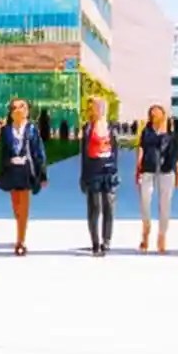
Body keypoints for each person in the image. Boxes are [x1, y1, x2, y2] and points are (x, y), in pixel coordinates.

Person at [0, 98, 46, 256]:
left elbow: (38, 151)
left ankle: (21, 241)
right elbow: (3, 152)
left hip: (26, 170)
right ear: (11, 113)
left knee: (24, 206)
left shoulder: (32, 129)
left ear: (27, 111)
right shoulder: (6, 130)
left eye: (21, 107)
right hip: (12, 170)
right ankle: (20, 227)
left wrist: (42, 173)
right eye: (15, 108)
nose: (18, 110)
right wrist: (3, 170)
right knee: (16, 206)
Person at [136, 104, 178, 254]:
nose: (154, 116)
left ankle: (162, 236)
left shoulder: (171, 134)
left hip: (166, 170)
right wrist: (138, 168)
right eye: (152, 114)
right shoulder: (146, 132)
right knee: (145, 202)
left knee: (165, 205)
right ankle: (146, 229)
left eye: (157, 114)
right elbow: (141, 149)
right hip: (148, 170)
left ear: (163, 116)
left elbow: (176, 156)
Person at [80, 97, 119, 256]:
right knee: (95, 207)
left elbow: (115, 151)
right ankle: (95, 242)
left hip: (108, 171)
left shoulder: (111, 128)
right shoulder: (88, 128)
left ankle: (106, 240)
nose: (92, 110)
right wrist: (83, 176)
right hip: (93, 170)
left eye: (94, 107)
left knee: (109, 206)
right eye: (91, 108)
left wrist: (115, 170)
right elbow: (84, 153)